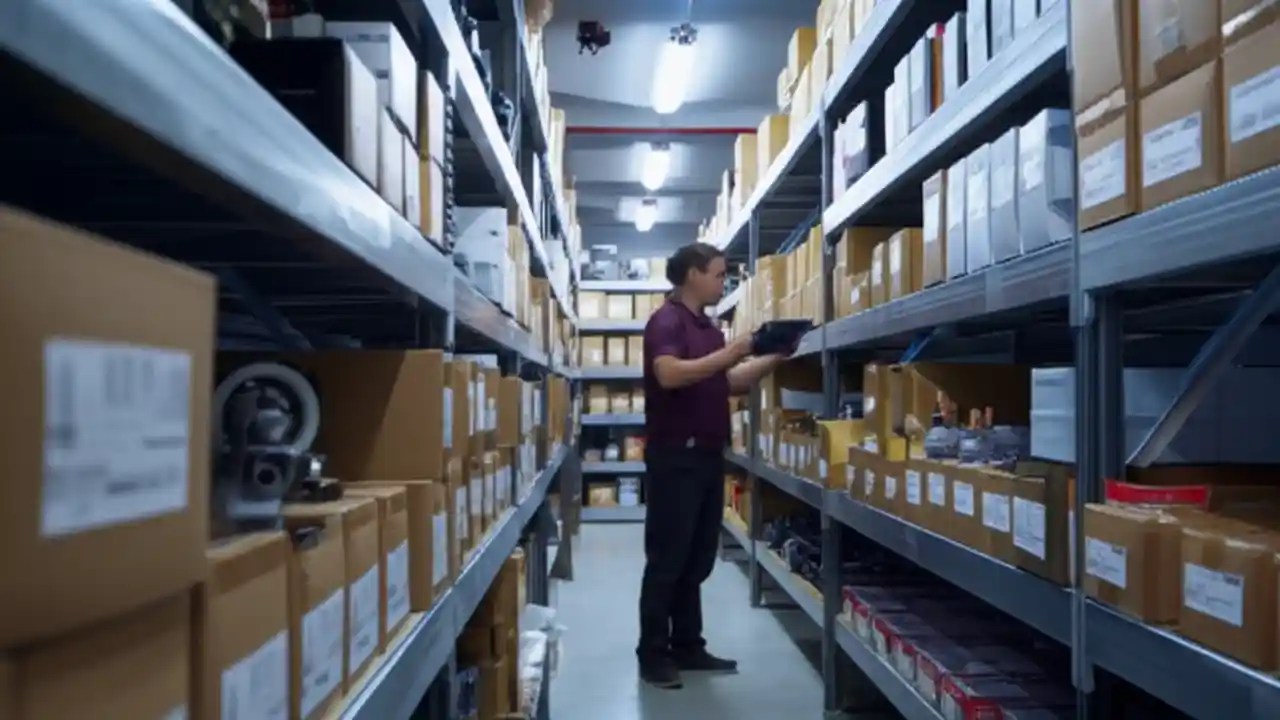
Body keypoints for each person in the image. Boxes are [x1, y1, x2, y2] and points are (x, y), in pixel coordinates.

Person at [637, 242, 794, 689]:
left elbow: (727, 383)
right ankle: (653, 655)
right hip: (675, 456)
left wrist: (775, 355)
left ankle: (688, 646)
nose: (723, 282)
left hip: (707, 454)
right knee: (668, 559)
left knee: (697, 557)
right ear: (692, 274)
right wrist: (738, 348)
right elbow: (669, 373)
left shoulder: (708, 328)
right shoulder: (666, 321)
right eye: (719, 274)